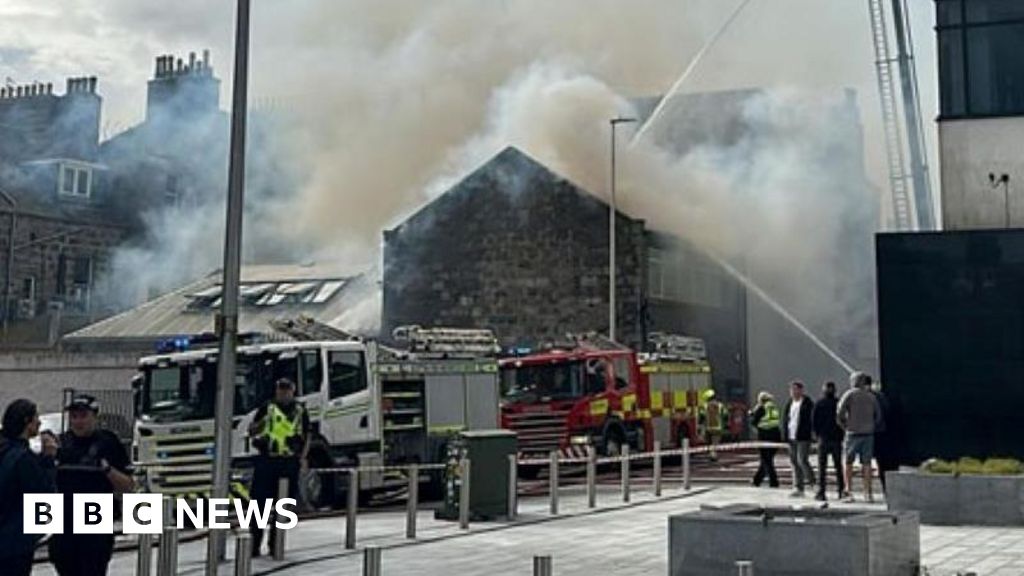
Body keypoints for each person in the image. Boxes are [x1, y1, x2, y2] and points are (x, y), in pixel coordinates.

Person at [48, 394, 134, 576]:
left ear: (95, 416)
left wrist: (107, 469)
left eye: (83, 416)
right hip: (65, 528)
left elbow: (128, 485)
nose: (78, 421)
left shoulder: (108, 442)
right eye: (74, 416)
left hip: (95, 524)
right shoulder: (61, 444)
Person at [248, 378, 310, 557]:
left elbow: (307, 435)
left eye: (286, 390)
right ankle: (253, 545)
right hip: (267, 461)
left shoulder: (300, 410)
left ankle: (276, 545)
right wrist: (262, 424)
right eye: (280, 390)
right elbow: (252, 430)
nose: (283, 393)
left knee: (283, 507)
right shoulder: (267, 408)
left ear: (293, 391)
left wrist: (302, 459)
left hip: (289, 463)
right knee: (259, 506)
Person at [0, 400, 57, 576]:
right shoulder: (22, 458)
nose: (39, 422)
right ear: (27, 421)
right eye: (36, 418)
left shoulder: (5, 451)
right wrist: (48, 460)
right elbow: (44, 495)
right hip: (15, 543)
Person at [837, 371, 881, 503]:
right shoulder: (871, 397)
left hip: (852, 433)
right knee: (867, 464)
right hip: (868, 434)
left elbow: (839, 412)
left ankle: (849, 492)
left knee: (848, 463)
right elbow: (878, 415)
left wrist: (845, 426)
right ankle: (868, 493)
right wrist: (871, 426)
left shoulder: (849, 394)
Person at [780, 381, 815, 497]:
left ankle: (812, 482)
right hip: (791, 436)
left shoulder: (807, 403)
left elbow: (811, 419)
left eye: (795, 389)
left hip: (803, 437)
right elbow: (786, 419)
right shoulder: (790, 403)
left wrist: (811, 433)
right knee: (794, 462)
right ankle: (798, 487)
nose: (793, 392)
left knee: (802, 460)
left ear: (801, 390)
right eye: (791, 390)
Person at [812, 381, 845, 501]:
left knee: (822, 467)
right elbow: (843, 419)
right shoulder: (838, 403)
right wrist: (842, 434)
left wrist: (817, 436)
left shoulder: (819, 403)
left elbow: (814, 421)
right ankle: (841, 490)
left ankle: (821, 492)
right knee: (838, 467)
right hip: (836, 439)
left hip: (823, 439)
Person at [749, 391, 781, 488]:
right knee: (767, 460)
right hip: (776, 436)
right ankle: (757, 480)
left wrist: (751, 415)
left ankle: (774, 481)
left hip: (765, 436)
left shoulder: (761, 408)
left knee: (766, 460)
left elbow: (754, 422)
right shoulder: (774, 407)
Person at [871, 381, 898, 494]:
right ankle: (890, 489)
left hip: (876, 434)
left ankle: (885, 489)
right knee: (888, 465)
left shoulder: (872, 398)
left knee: (881, 464)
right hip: (888, 434)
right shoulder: (884, 398)